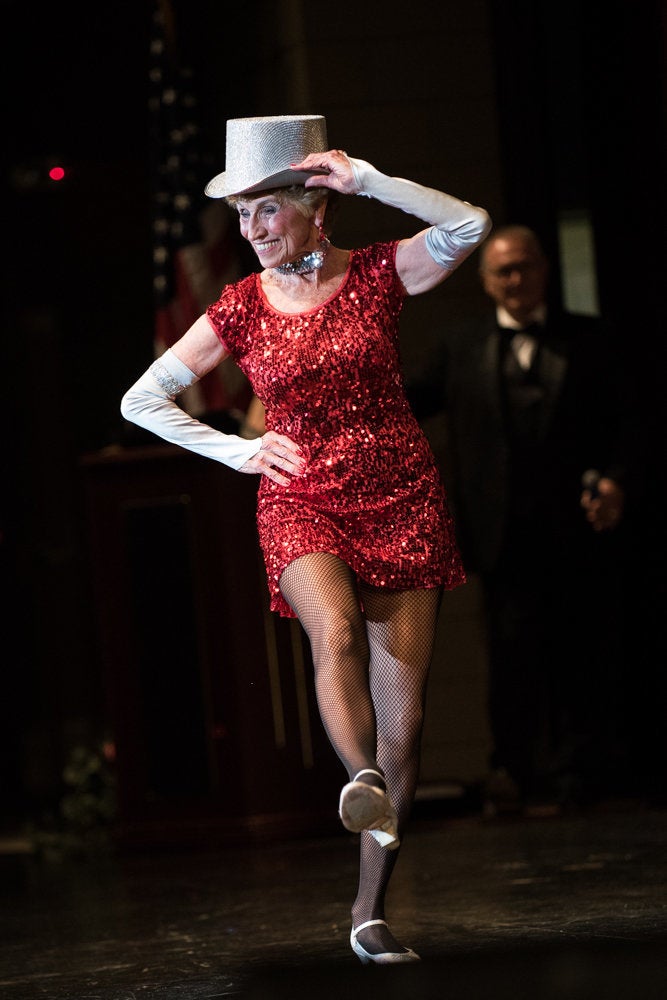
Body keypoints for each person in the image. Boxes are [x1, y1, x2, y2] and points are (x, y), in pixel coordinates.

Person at [120, 114, 491, 964]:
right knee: (331, 633)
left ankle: (368, 908)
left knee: (408, 726)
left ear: (314, 207)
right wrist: (241, 450)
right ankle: (356, 778)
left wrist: (367, 177)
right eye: (241, 216)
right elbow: (140, 401)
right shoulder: (240, 306)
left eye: (266, 213)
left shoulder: (376, 275)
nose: (250, 232)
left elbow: (468, 223)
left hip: (400, 496)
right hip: (301, 499)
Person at [408, 224, 639, 815]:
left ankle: (581, 774)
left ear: (544, 271)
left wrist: (615, 479)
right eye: (503, 270)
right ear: (485, 281)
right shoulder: (460, 345)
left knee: (583, 652)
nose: (516, 279)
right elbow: (406, 405)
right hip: (500, 535)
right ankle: (513, 771)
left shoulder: (593, 340)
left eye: (525, 267)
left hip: (579, 531)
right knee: (510, 656)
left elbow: (629, 423)